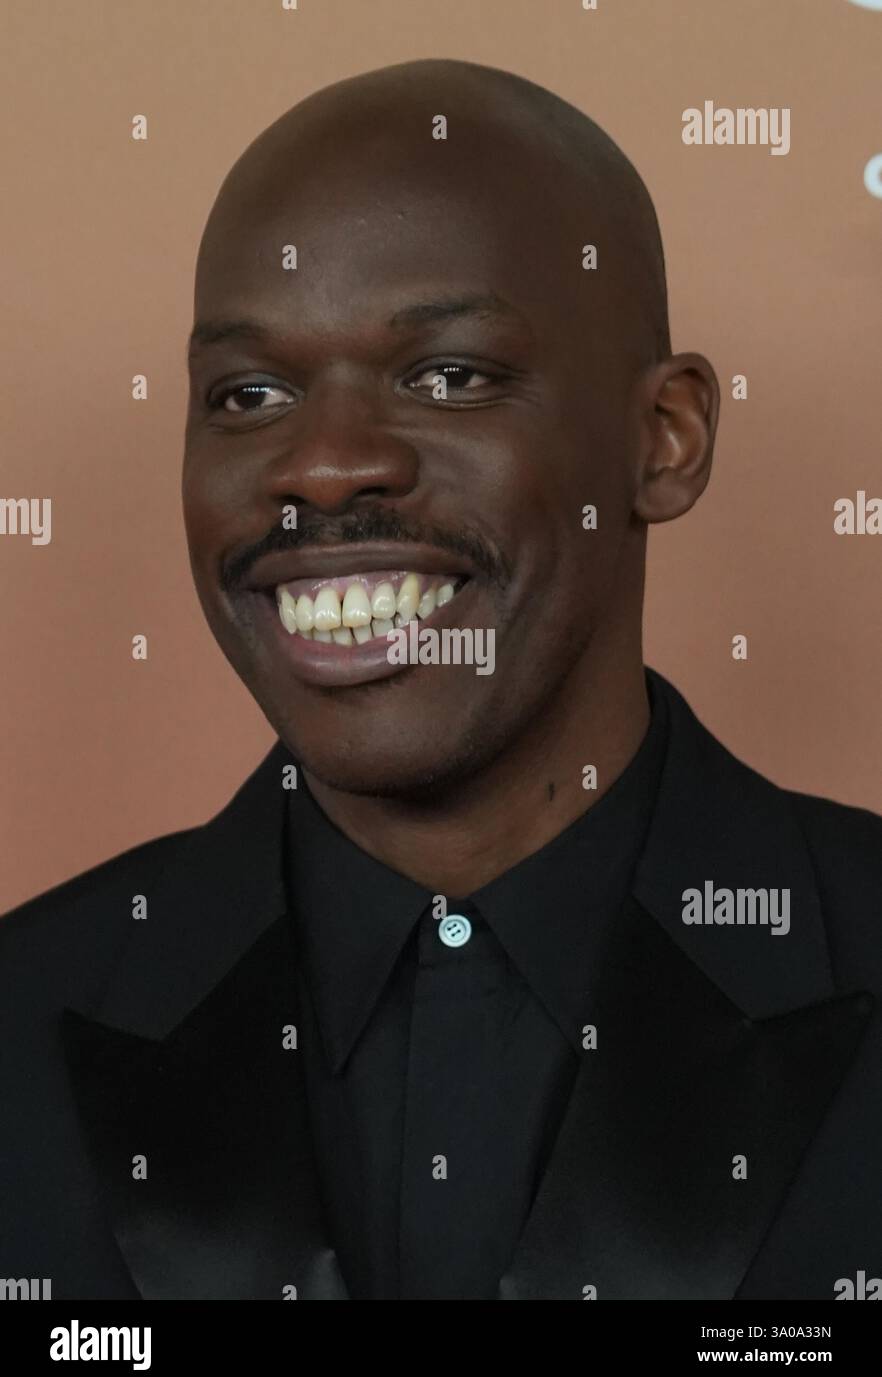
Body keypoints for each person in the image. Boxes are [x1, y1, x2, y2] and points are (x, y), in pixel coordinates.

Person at [1, 58, 880, 1302]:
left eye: (449, 376)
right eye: (249, 392)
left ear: (665, 440)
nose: (323, 465)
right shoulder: (25, 1014)